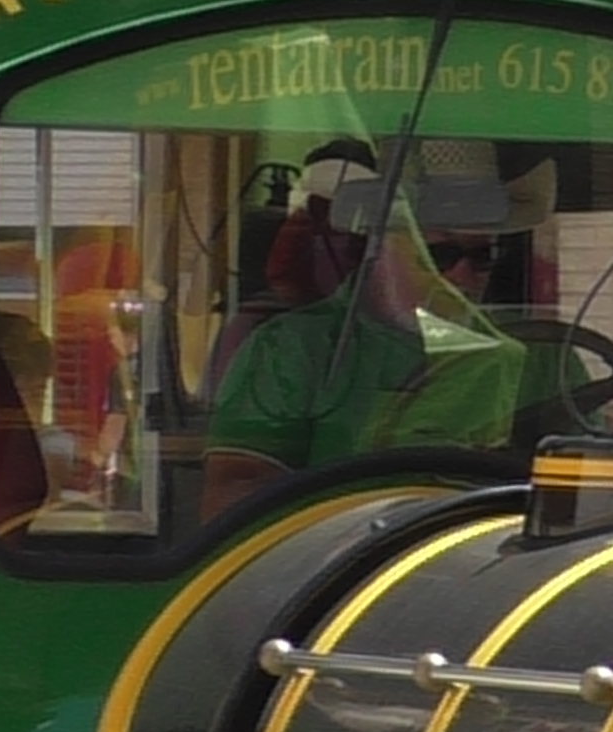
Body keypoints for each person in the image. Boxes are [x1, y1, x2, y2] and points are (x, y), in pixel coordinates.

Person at [199, 174, 558, 515]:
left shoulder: (545, 352)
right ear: (380, 247)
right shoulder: (294, 349)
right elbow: (235, 498)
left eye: (482, 256)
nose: (462, 276)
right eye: (440, 256)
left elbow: (589, 474)